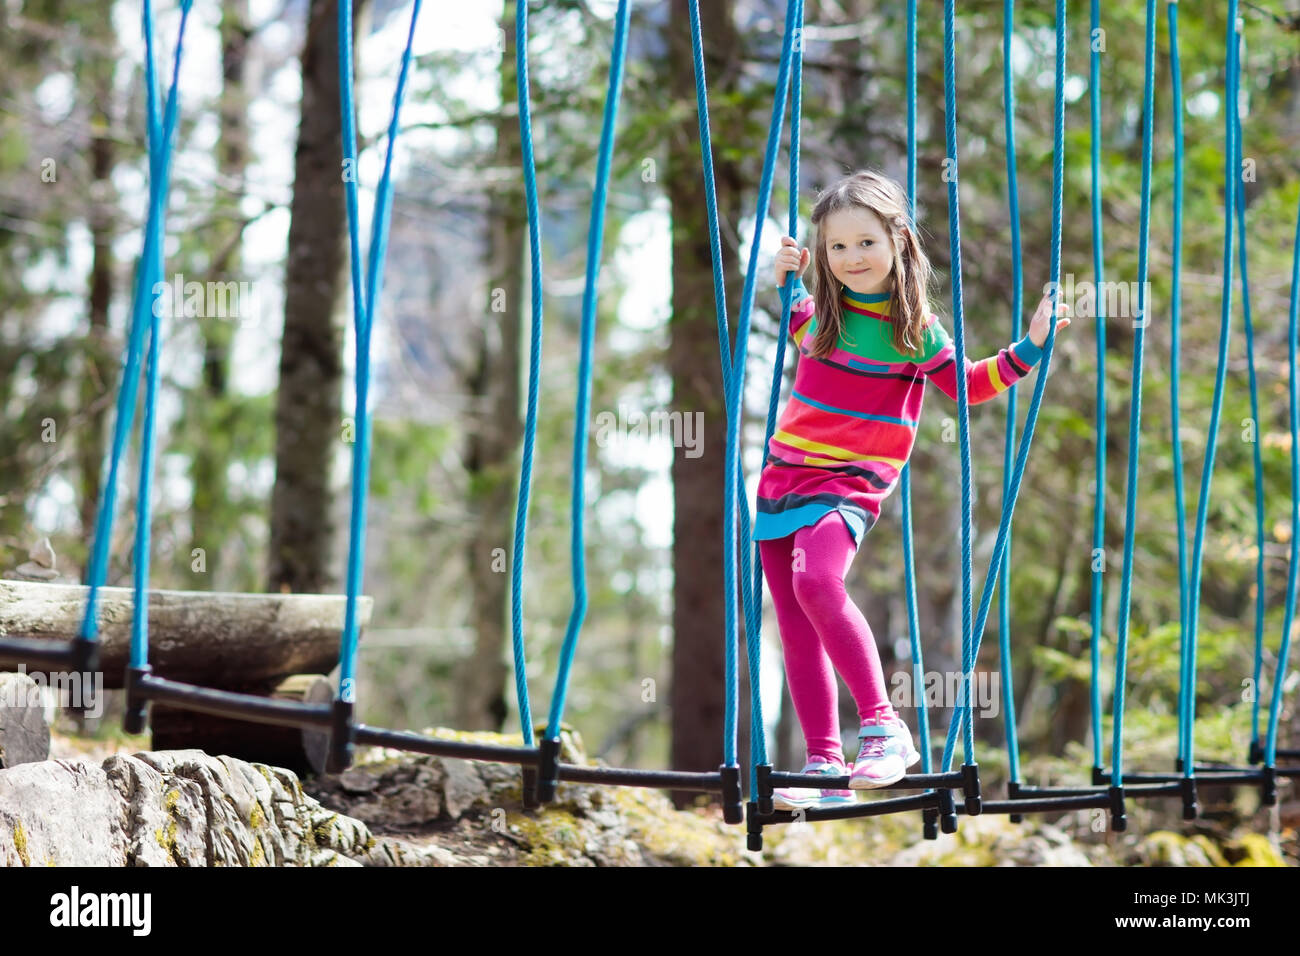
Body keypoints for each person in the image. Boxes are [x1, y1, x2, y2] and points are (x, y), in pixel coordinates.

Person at [756, 169, 1070, 810]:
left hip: (849, 484)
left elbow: (970, 386)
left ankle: (883, 725)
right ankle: (823, 764)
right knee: (793, 624)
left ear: (898, 238)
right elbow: (795, 312)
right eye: (836, 248)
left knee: (817, 582)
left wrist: (1031, 345)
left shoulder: (913, 329)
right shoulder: (816, 318)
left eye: (865, 242)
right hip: (781, 478)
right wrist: (785, 273)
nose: (851, 259)